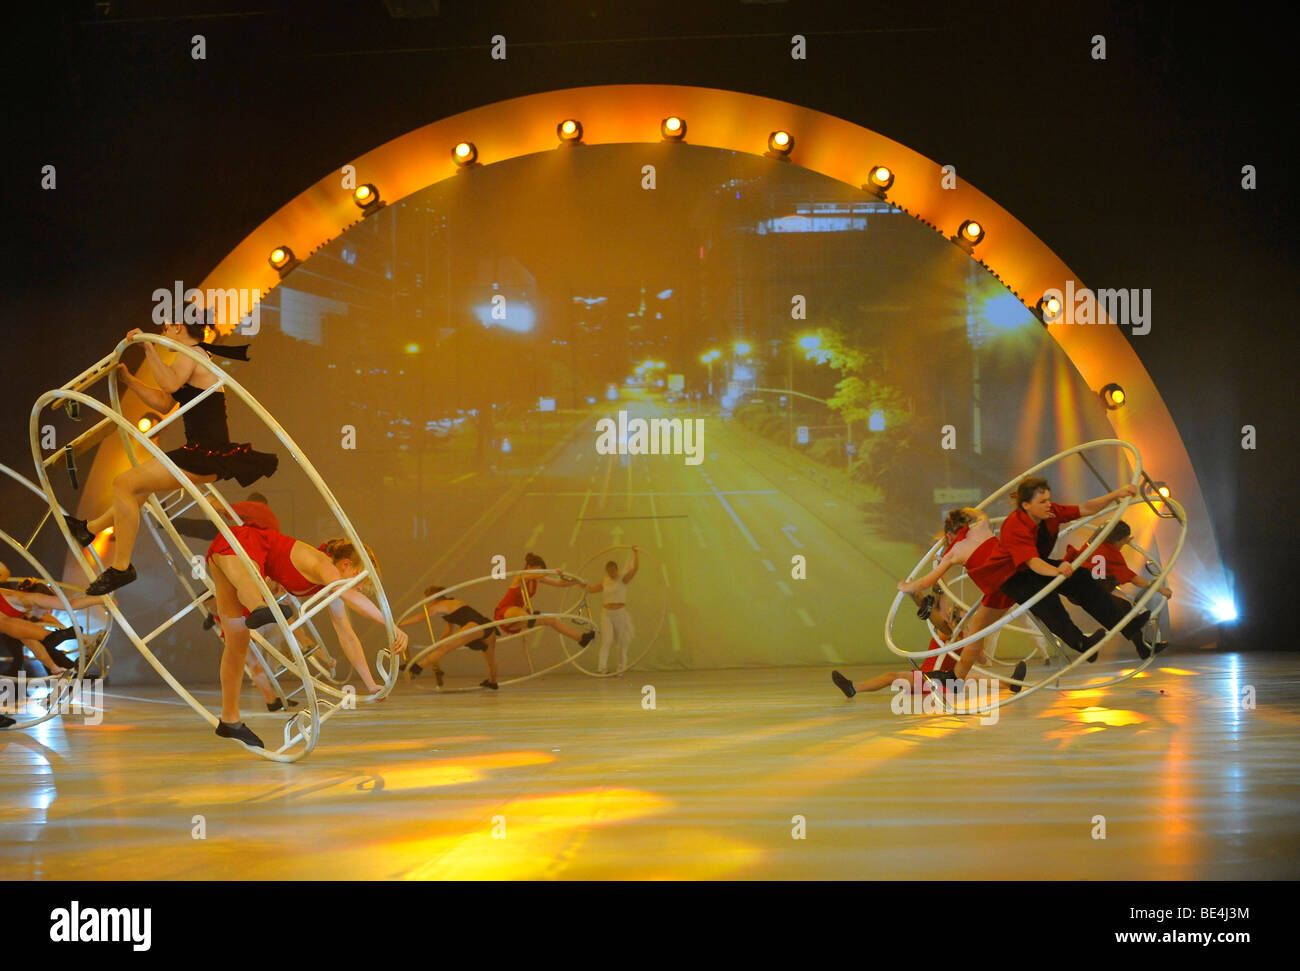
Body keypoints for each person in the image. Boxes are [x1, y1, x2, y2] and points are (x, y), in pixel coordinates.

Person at [65, 322, 278, 596]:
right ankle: (91, 529)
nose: (162, 330)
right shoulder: (190, 356)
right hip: (201, 453)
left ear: (178, 328)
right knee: (135, 488)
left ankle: (120, 567)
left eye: (165, 327)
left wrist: (148, 347)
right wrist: (130, 381)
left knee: (124, 483)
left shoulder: (192, 353)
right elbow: (165, 402)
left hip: (206, 455)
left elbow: (170, 382)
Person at [206, 527, 406, 749]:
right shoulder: (326, 566)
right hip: (244, 543)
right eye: (359, 579)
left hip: (226, 558)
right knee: (248, 582)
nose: (358, 587)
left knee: (237, 644)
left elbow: (346, 634)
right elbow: (349, 595)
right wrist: (390, 625)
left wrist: (370, 684)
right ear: (346, 565)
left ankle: (229, 719)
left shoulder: (330, 585)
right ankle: (259, 608)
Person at [981, 477, 1152, 659]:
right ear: (1026, 505)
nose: (1049, 504)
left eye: (1048, 499)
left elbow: (1085, 508)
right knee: (1048, 601)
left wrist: (1116, 494)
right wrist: (1057, 571)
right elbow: (1032, 562)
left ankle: (1127, 625)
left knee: (1082, 579)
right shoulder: (1014, 526)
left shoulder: (1051, 512)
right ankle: (1081, 644)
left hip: (1036, 565)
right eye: (1043, 501)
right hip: (1010, 576)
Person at [1063, 519, 1171, 654]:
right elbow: (1134, 579)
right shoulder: (1112, 555)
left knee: (1123, 608)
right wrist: (1160, 589)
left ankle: (1142, 647)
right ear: (1119, 539)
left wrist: (1122, 538)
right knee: (1121, 609)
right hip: (1089, 590)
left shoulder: (1091, 544)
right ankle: (1141, 646)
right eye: (1124, 541)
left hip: (1078, 589)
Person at [401, 585, 501, 688]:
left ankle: (418, 667)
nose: (427, 603)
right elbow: (449, 629)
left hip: (474, 626)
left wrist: (399, 624)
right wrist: (439, 643)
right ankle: (493, 682)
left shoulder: (438, 606)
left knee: (446, 647)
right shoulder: (452, 603)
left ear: (433, 597)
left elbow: (421, 617)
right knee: (491, 659)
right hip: (488, 627)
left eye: (427, 599)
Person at [0, 583, 104, 676]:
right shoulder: (26, 599)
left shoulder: (18, 617)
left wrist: (54, 667)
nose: (49, 612)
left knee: (24, 633)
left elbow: (34, 644)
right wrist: (101, 599)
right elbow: (71, 604)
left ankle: (53, 638)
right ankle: (53, 637)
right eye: (48, 608)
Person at [493, 553, 595, 647]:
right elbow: (534, 575)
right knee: (518, 611)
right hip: (506, 613)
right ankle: (530, 617)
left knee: (552, 620)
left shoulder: (537, 578)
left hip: (519, 619)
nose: (540, 574)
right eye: (538, 570)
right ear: (528, 567)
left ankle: (580, 639)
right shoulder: (519, 576)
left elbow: (560, 583)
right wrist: (552, 571)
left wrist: (577, 581)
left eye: (540, 571)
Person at [584, 547, 639, 674]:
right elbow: (591, 589)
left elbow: (634, 569)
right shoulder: (605, 581)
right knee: (606, 640)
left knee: (621, 642)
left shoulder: (623, 579)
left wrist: (635, 554)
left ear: (616, 569)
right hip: (606, 614)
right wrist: (581, 583)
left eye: (613, 570)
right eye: (609, 571)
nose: (611, 573)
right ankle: (602, 668)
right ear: (607, 571)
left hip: (619, 613)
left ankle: (621, 667)